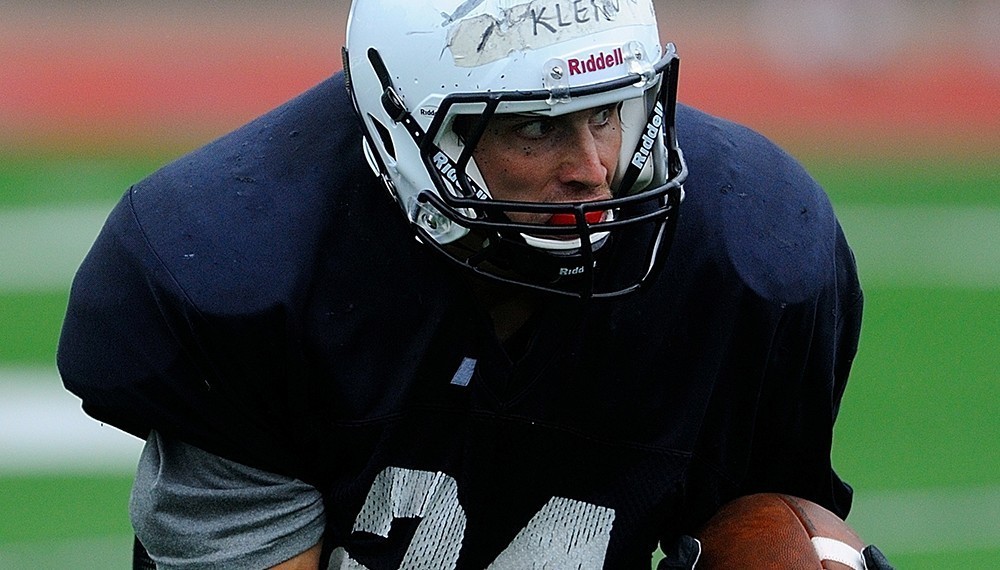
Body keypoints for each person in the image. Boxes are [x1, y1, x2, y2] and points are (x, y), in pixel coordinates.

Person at [57, 1, 894, 568]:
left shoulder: (754, 255)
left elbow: (760, 520)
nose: (594, 172)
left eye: (607, 113)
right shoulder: (242, 270)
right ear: (409, 130)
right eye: (534, 126)